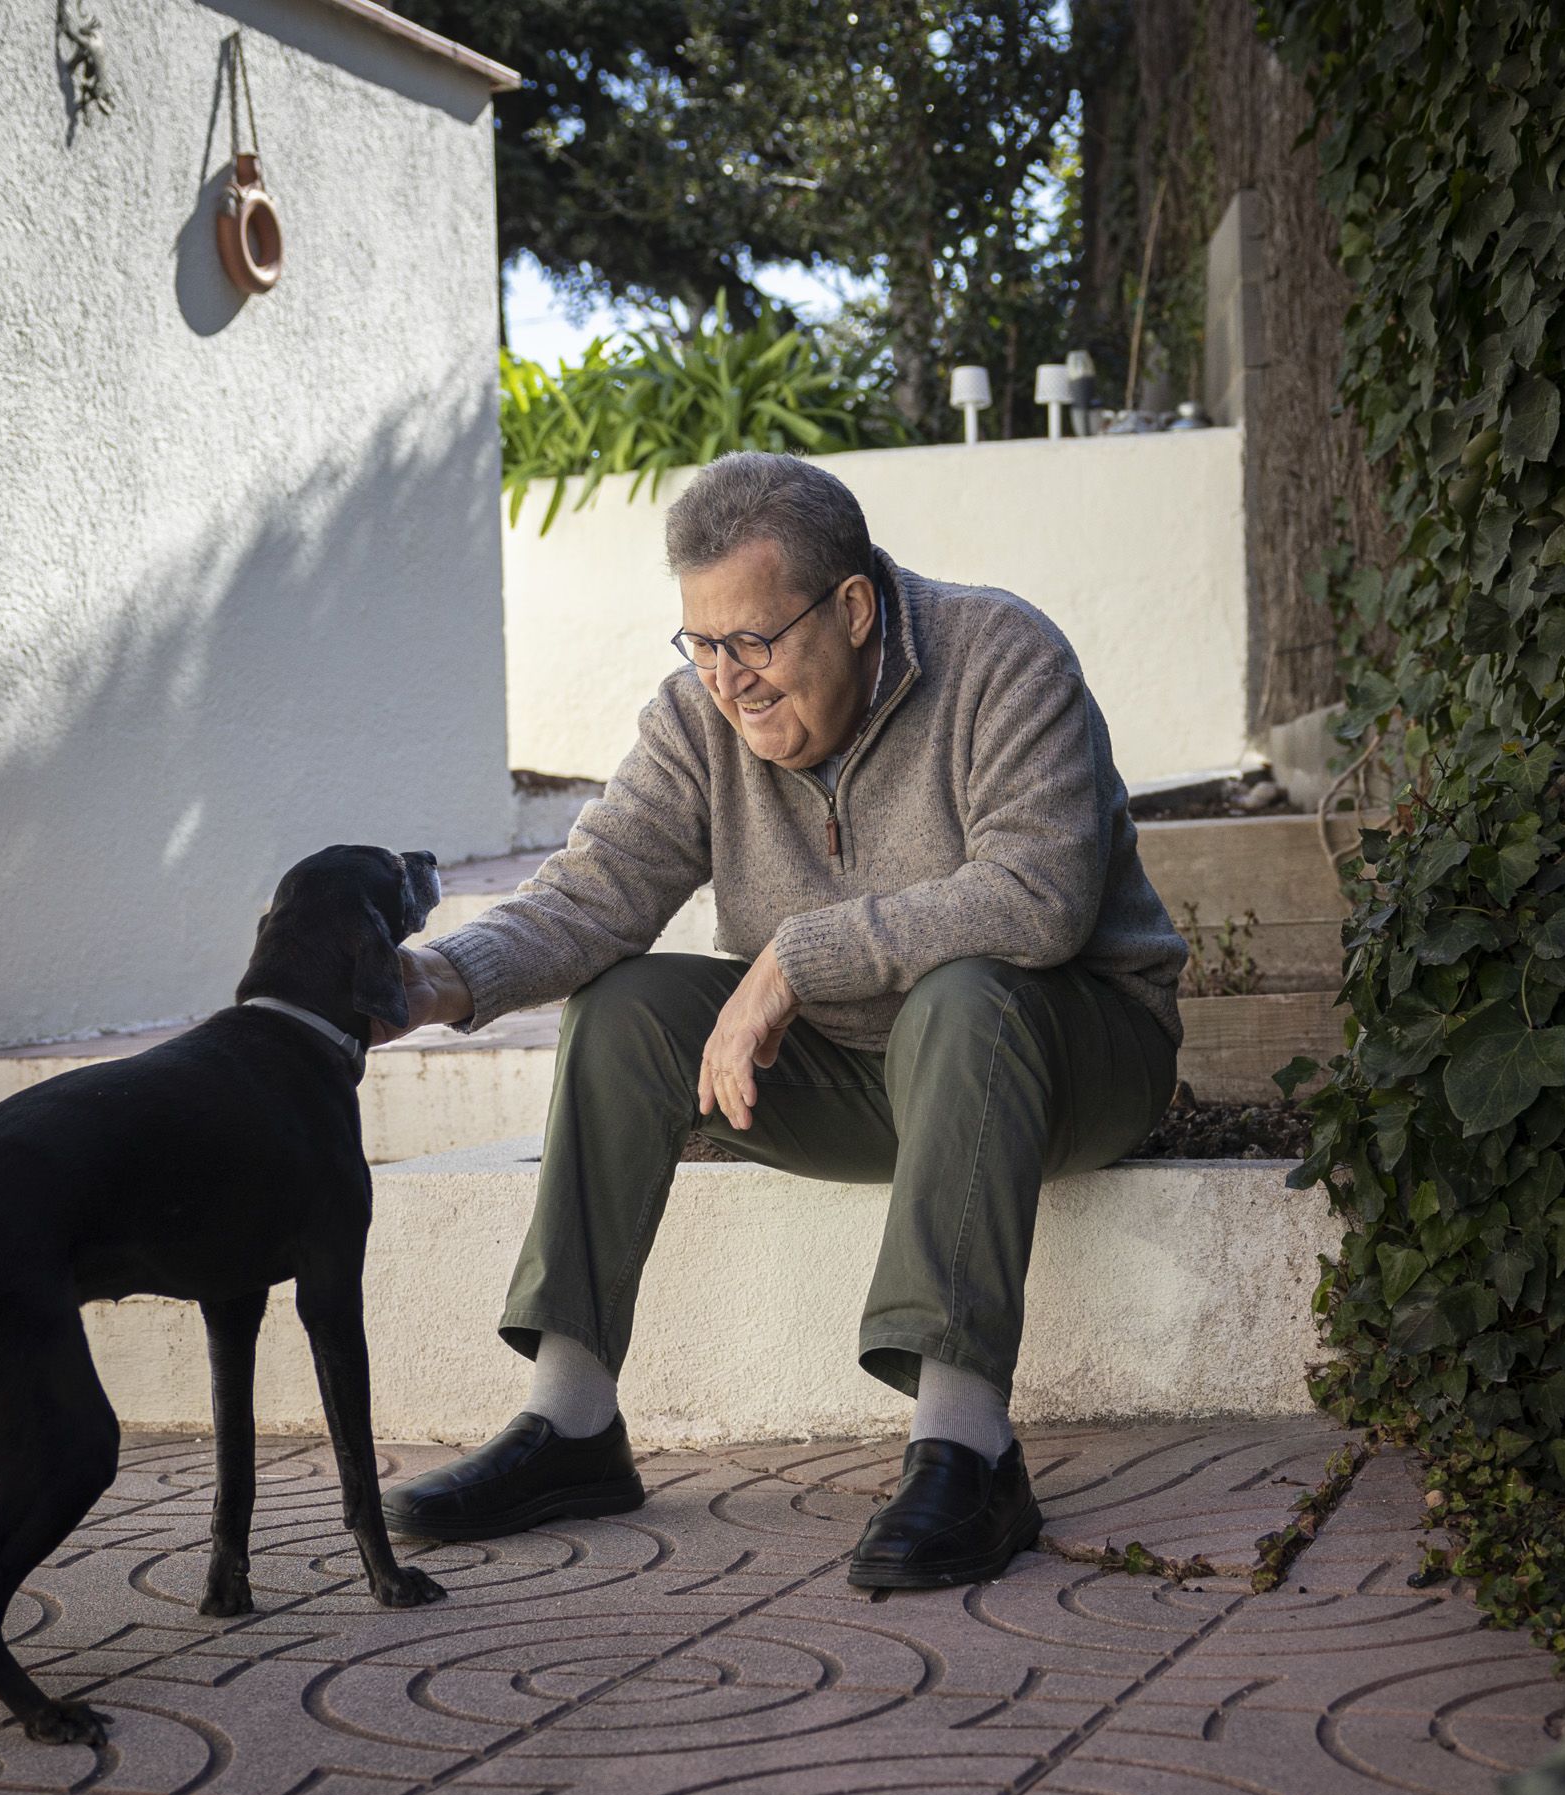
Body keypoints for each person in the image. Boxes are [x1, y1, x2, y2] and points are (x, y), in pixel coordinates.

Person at [375, 451, 1186, 1591]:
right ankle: (571, 1424)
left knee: (969, 993)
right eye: (701, 644)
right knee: (628, 1007)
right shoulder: (701, 718)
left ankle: (968, 1447)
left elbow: (1039, 897)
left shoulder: (1002, 656)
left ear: (853, 608)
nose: (730, 680)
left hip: (1069, 1057)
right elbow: (592, 895)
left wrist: (797, 959)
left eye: (754, 640)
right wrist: (433, 980)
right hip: (870, 1076)